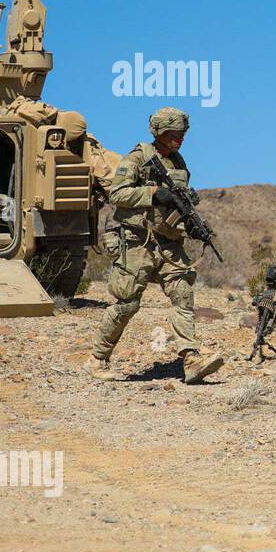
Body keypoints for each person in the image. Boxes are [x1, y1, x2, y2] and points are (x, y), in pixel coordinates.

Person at [84, 107, 223, 383]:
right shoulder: (138, 158)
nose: (179, 139)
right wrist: (154, 193)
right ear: (159, 133)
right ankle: (97, 359)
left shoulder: (179, 162)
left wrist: (191, 224)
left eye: (182, 134)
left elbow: (178, 202)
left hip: (169, 242)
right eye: (173, 134)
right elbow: (117, 193)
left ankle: (191, 358)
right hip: (138, 241)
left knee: (183, 294)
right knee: (127, 304)